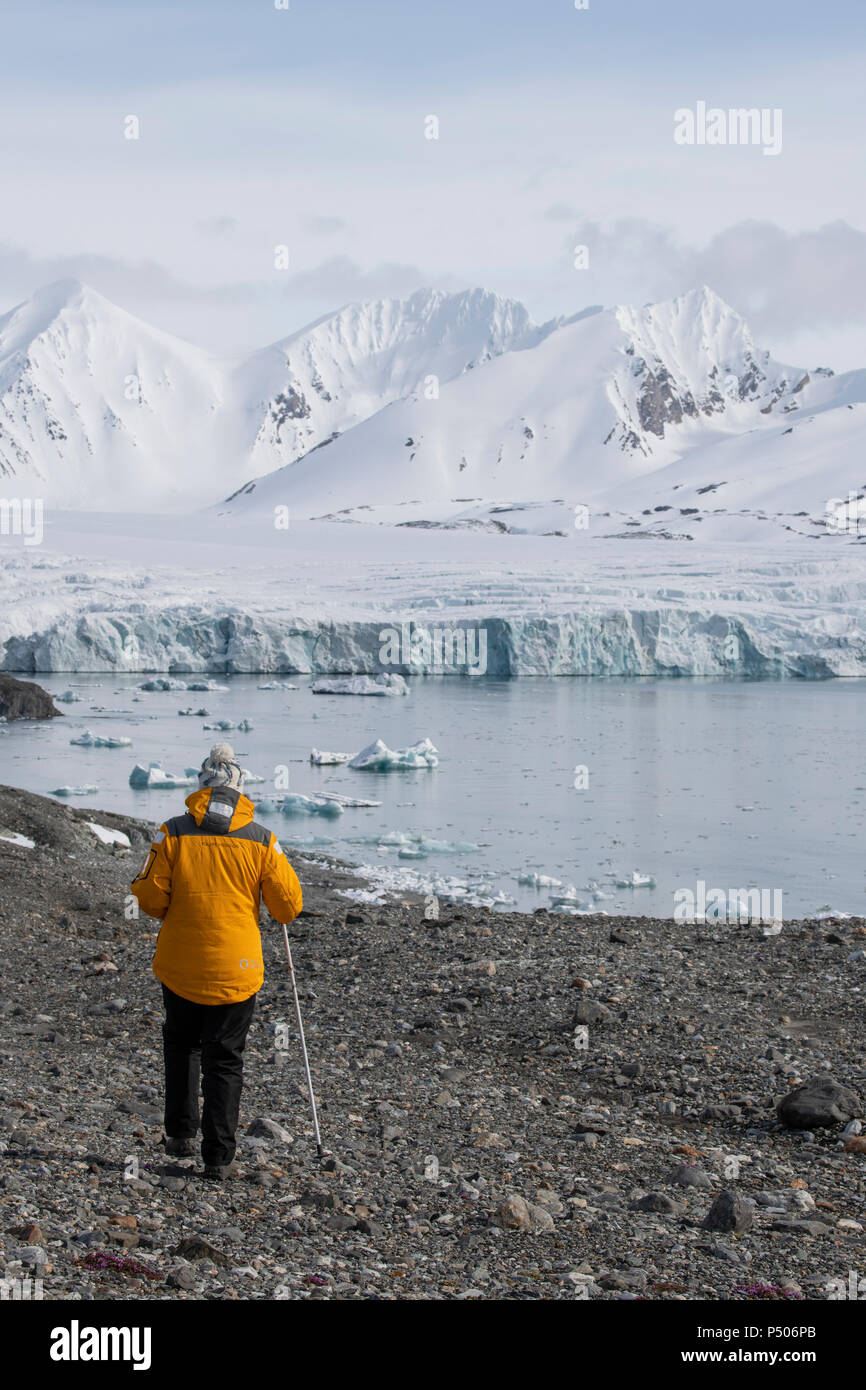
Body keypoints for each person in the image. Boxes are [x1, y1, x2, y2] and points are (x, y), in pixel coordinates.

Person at [130, 742, 303, 1179]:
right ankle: (218, 1159)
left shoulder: (172, 833)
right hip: (237, 969)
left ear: (202, 788)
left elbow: (150, 899)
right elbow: (287, 907)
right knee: (225, 1059)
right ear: (240, 791)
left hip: (181, 965)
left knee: (182, 1044)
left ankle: (179, 1135)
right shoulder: (263, 839)